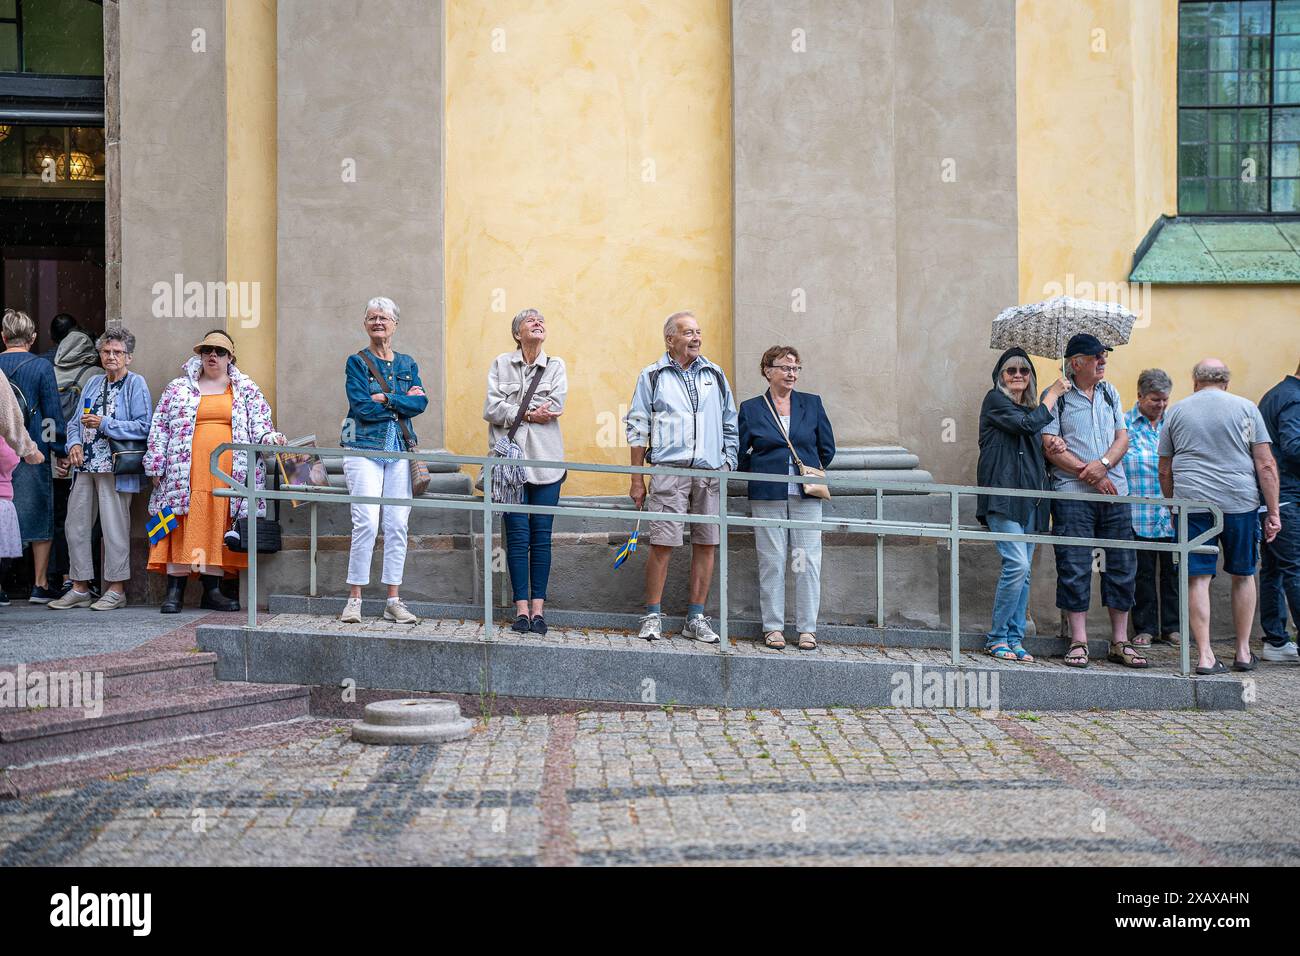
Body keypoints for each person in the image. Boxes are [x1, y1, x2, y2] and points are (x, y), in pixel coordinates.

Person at [144, 329, 286, 613]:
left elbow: (261, 426)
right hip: (184, 470)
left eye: (220, 351)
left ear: (230, 357)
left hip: (227, 472)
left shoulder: (245, 389)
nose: (213, 355)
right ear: (199, 354)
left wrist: (272, 440)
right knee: (180, 523)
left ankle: (212, 590)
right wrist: (156, 459)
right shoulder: (178, 388)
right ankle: (175, 590)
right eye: (207, 350)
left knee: (214, 524)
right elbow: (159, 425)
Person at [1159, 359, 1280, 674]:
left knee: (1197, 577)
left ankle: (1205, 656)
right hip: (1239, 502)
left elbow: (1164, 467)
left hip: (1194, 503)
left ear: (1195, 381)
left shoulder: (1176, 411)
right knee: (1244, 574)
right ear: (1226, 382)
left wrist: (1172, 505)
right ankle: (1242, 651)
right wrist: (1274, 511)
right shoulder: (1246, 409)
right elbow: (1266, 464)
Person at [625, 310, 738, 643]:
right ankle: (652, 616)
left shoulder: (715, 374)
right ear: (670, 339)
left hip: (709, 472)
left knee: (706, 543)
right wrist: (637, 479)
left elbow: (730, 422)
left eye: (698, 332)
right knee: (662, 543)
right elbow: (636, 426)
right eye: (688, 332)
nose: (696, 338)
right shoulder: (653, 375)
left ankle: (695, 617)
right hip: (669, 471)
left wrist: (727, 463)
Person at [1041, 333, 1144, 668]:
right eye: (1096, 356)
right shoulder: (1057, 396)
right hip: (1073, 495)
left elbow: (1123, 437)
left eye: (1104, 356)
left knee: (1122, 565)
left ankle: (1119, 640)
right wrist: (1091, 473)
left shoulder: (1110, 392)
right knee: (1073, 564)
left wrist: (1102, 466)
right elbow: (1050, 445)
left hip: (1114, 493)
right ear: (1076, 363)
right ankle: (1079, 640)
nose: (1103, 361)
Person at [737, 345, 835, 650]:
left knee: (808, 562)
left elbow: (827, 449)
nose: (791, 373)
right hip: (768, 495)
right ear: (768, 370)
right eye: (785, 367)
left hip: (806, 495)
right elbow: (741, 454)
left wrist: (805, 470)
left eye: (795, 368)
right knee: (772, 561)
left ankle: (807, 629)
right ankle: (773, 628)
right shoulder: (752, 408)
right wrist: (766, 470)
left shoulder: (812, 404)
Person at [47, 328, 151, 611]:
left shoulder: (135, 384)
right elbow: (74, 423)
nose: (111, 357)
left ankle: (116, 590)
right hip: (85, 465)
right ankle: (80, 587)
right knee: (75, 526)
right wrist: (74, 444)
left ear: (129, 356)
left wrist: (105, 424)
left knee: (114, 528)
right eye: (106, 352)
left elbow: (144, 426)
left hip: (115, 467)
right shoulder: (93, 382)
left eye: (117, 352)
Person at [976, 348, 1070, 662]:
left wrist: (1054, 444)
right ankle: (996, 637)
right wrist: (1053, 393)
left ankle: (1015, 640)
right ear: (1000, 376)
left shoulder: (1029, 408)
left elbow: (1031, 439)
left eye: (1024, 371)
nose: (1018, 375)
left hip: (1032, 500)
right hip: (1003, 498)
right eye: (1011, 371)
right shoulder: (995, 401)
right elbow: (1026, 425)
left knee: (1024, 572)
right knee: (1016, 564)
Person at [339, 297, 427, 625]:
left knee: (397, 525)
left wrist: (388, 398)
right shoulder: (357, 362)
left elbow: (421, 404)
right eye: (372, 318)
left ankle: (393, 599)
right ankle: (354, 600)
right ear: (365, 324)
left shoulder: (407, 364)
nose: (378, 322)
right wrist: (402, 402)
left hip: (400, 451)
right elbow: (361, 407)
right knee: (365, 522)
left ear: (395, 324)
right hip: (363, 448)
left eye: (384, 318)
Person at [484, 308, 567, 634]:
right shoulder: (500, 364)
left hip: (547, 462)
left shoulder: (556, 366)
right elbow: (490, 408)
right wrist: (532, 411)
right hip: (510, 466)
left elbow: (557, 405)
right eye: (530, 320)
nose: (538, 323)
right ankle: (521, 610)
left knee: (542, 537)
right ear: (517, 333)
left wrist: (514, 407)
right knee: (517, 539)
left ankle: (539, 610)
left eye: (541, 320)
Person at [0, 309, 66, 603]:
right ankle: (39, 583)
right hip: (33, 449)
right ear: (33, 338)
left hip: (2, 450)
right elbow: (52, 416)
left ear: (3, 337)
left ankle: (3, 583)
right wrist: (59, 449)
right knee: (40, 516)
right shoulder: (41, 367)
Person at [1123, 368, 1179, 648]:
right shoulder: (1124, 424)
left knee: (1174, 573)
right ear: (1140, 396)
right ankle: (1144, 627)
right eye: (1155, 399)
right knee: (1142, 574)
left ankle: (1173, 627)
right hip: (1138, 512)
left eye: (1165, 400)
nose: (1161, 405)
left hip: (1170, 513)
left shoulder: (1175, 424)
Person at [45, 314, 99, 596]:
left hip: (54, 453)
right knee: (86, 520)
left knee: (58, 519)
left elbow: (47, 416)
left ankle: (54, 578)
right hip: (82, 457)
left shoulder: (48, 368)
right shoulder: (93, 375)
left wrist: (57, 450)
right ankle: (81, 578)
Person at [1258, 359, 1300, 662]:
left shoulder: (1276, 394)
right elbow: (1293, 445)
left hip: (1271, 496)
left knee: (1274, 569)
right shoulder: (1294, 398)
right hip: (1286, 496)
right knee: (1294, 568)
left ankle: (1275, 640)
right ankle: (1277, 639)